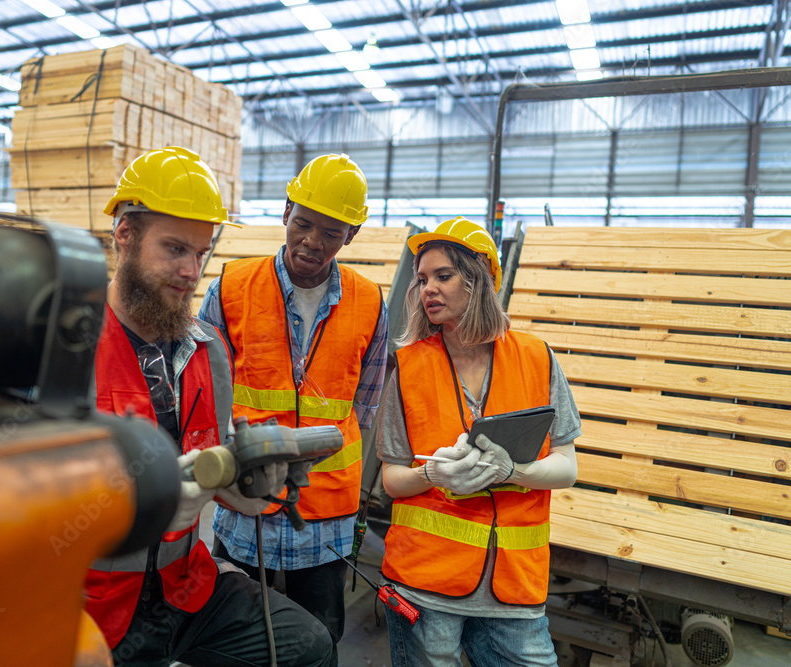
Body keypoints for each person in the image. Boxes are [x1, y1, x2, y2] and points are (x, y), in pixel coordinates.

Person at [85, 146, 334, 667]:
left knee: (309, 647)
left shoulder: (206, 348)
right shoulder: (70, 348)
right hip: (92, 603)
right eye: (175, 248)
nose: (190, 271)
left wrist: (251, 489)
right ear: (124, 234)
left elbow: (215, 472)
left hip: (184, 587)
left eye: (200, 253)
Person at [198, 153, 389, 661]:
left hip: (325, 507)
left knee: (320, 636)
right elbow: (202, 389)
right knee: (233, 633)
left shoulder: (369, 303)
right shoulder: (232, 287)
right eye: (303, 223)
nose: (312, 241)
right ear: (285, 210)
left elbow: (365, 403)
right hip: (245, 499)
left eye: (330, 232)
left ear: (350, 235)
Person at [375, 217, 581, 667]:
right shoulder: (407, 368)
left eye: (443, 276)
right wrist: (432, 473)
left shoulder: (535, 358)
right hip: (425, 584)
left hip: (514, 590)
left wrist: (515, 472)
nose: (428, 288)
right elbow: (392, 479)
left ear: (480, 280)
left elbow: (567, 467)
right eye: (422, 279)